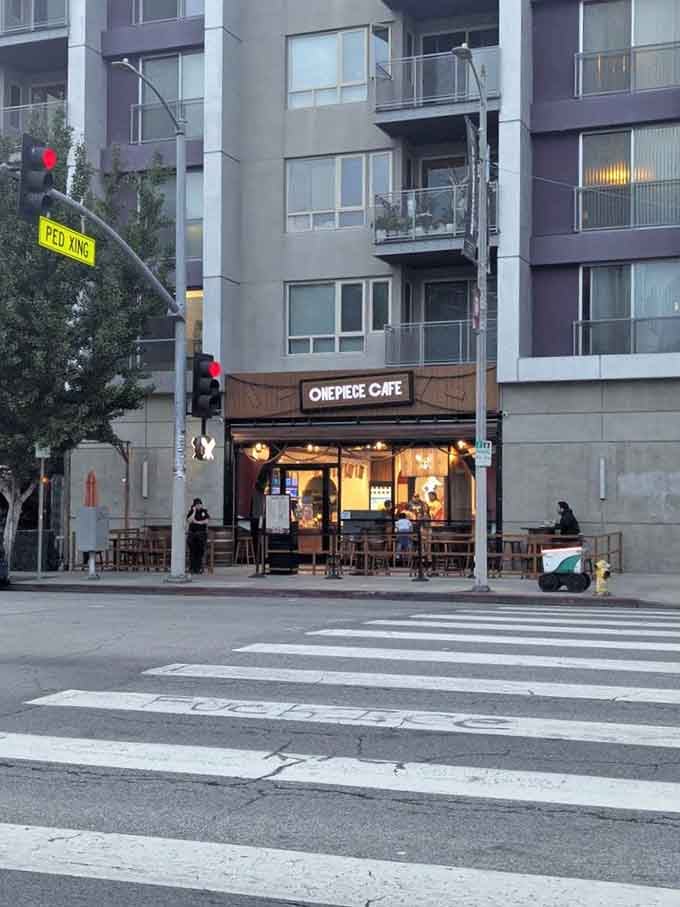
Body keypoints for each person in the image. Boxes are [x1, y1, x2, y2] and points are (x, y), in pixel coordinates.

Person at [186, 497, 210, 573]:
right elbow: (189, 521)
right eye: (197, 504)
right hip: (192, 534)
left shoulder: (204, 511)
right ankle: (192, 568)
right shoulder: (191, 511)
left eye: (200, 504)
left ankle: (198, 568)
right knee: (192, 551)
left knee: (200, 551)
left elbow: (206, 521)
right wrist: (193, 511)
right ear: (194, 505)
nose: (199, 506)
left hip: (201, 534)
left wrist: (196, 522)